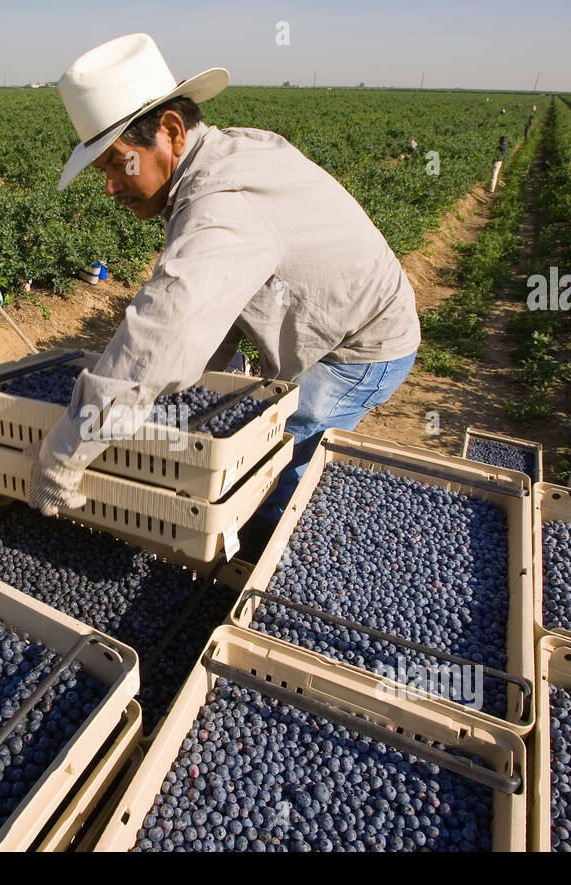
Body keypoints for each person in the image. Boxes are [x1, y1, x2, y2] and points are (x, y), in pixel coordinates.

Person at [28, 33, 419, 549]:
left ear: (169, 131)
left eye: (117, 164)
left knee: (275, 461)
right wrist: (168, 387)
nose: (110, 187)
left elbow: (165, 327)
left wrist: (63, 457)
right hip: (331, 319)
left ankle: (257, 562)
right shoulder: (222, 156)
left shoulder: (222, 203)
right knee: (233, 434)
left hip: (359, 347)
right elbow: (217, 307)